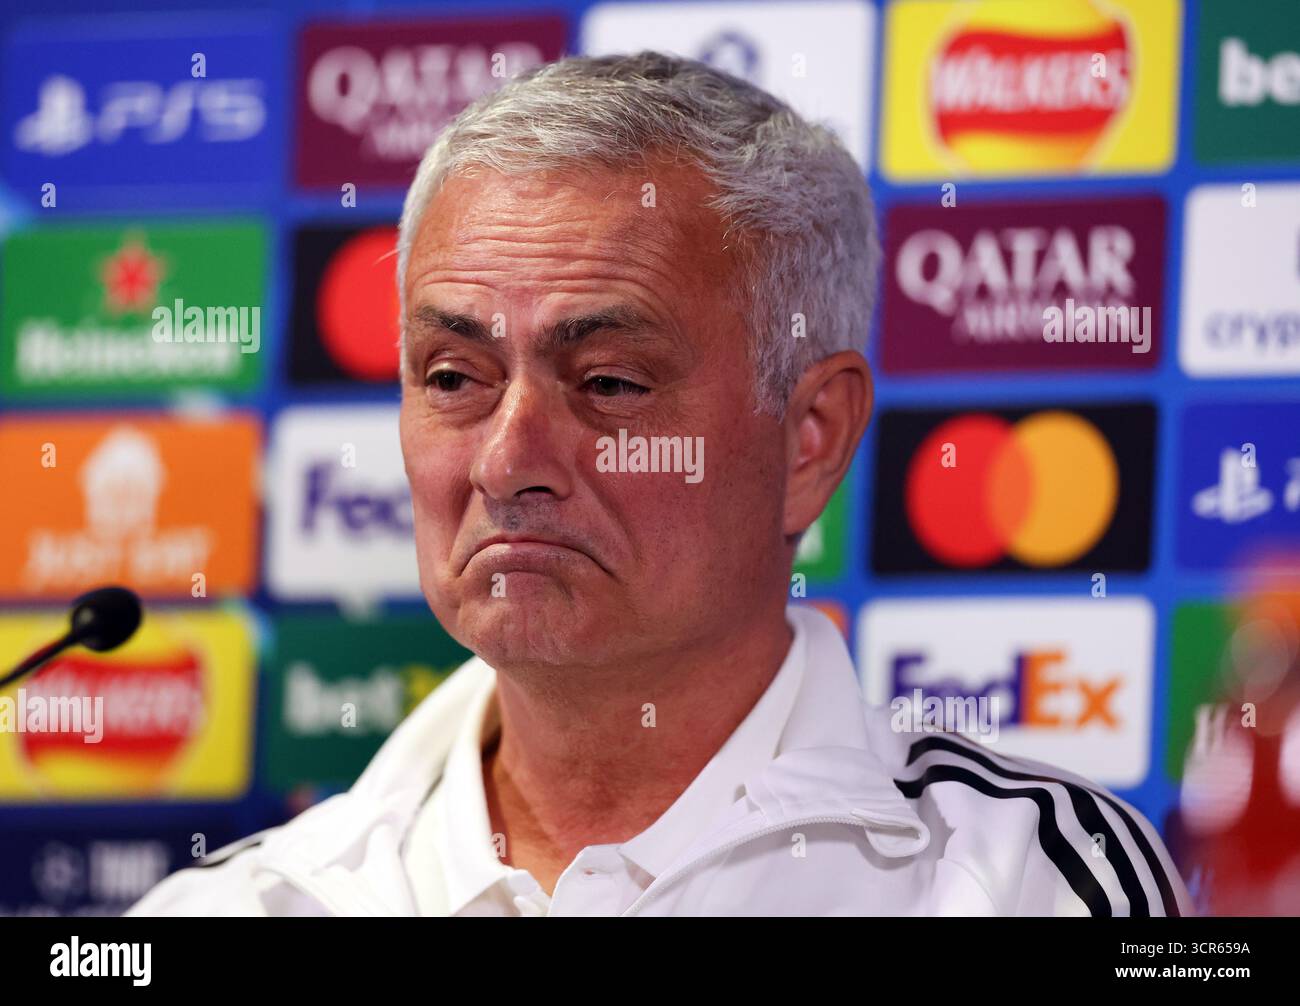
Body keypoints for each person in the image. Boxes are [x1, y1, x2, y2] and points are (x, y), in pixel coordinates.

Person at [128, 51, 1190, 917]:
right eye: (453, 377)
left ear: (809, 438)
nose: (506, 462)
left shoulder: (1035, 883)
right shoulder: (235, 910)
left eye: (609, 383)